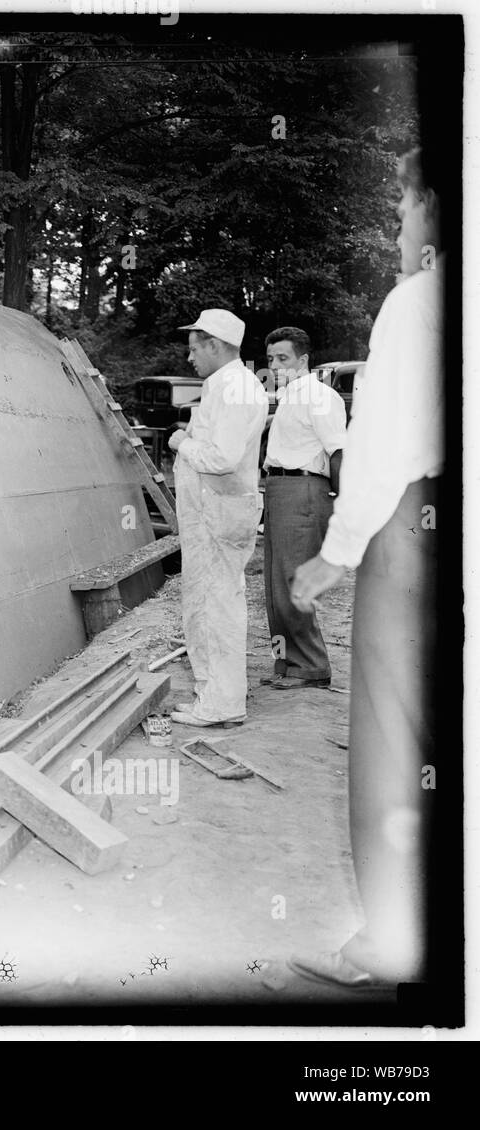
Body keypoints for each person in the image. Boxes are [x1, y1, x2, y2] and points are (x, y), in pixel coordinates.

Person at [288, 147, 445, 989]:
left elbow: (380, 449)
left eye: (400, 209)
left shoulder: (419, 302)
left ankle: (394, 938)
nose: (395, 228)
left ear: (431, 206)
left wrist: (332, 558)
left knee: (394, 734)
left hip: (413, 527)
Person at [166, 309, 269, 727]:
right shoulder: (222, 386)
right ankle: (214, 689)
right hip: (211, 510)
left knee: (217, 604)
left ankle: (223, 703)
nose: (189, 357)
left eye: (194, 348)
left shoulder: (237, 389)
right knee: (206, 600)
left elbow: (222, 459)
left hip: (219, 510)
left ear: (215, 344)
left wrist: (181, 445)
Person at [258, 326, 346, 690]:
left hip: (305, 489)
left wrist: (344, 502)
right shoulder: (288, 397)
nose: (275, 366)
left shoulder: (320, 396)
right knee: (276, 584)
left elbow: (338, 451)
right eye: (270, 360)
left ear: (303, 360)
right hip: (279, 488)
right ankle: (290, 662)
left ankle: (312, 665)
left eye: (284, 358)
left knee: (295, 579)